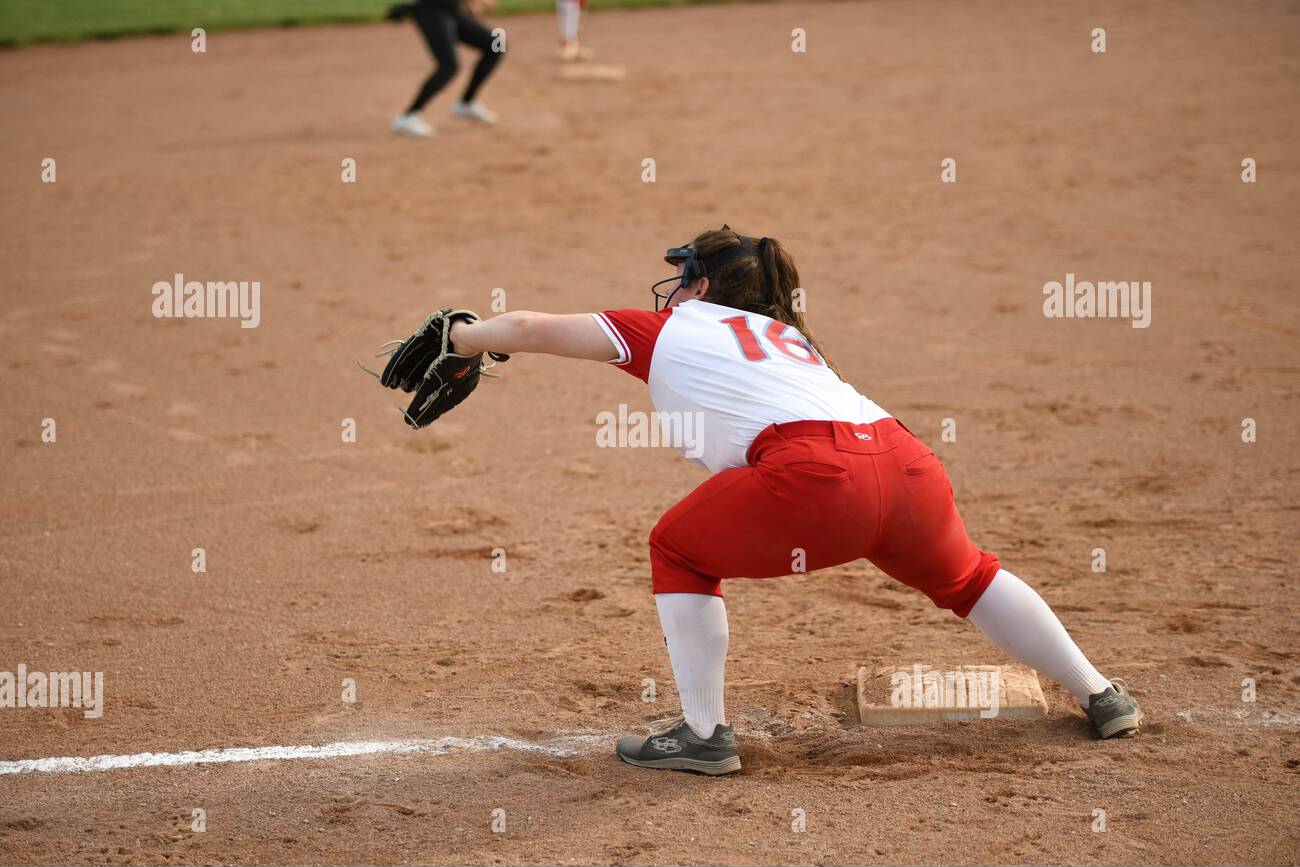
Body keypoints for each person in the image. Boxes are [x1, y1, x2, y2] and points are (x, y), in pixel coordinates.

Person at [444, 226, 1144, 776]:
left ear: (704, 284)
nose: (674, 288)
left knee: (678, 549)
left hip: (815, 477)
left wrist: (463, 337)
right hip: (907, 467)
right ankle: (1100, 693)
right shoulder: (790, 339)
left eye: (684, 276)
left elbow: (531, 328)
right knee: (968, 577)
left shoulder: (672, 327)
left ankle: (704, 735)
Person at [388, 0, 504, 138]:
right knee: (449, 66)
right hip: (431, 11)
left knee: (496, 45)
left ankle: (466, 103)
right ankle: (407, 117)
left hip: (450, 9)